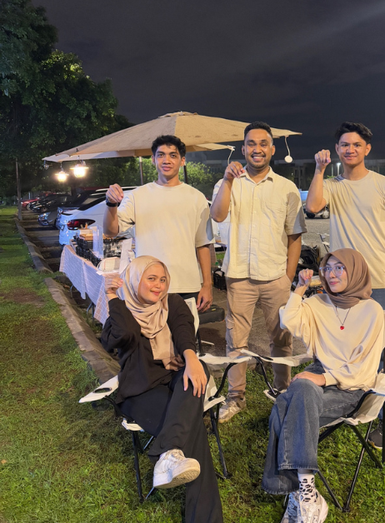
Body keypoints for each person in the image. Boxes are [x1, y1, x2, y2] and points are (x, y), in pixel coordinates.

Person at [263, 249, 385, 523]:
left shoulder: (372, 311)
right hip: (318, 374)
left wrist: (324, 379)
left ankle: (295, 494)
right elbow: (288, 320)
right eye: (327, 268)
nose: (331, 274)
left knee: (285, 404)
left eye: (340, 268)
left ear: (356, 271)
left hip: (351, 386)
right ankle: (307, 490)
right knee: (302, 390)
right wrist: (299, 289)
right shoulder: (318, 303)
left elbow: (365, 369)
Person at [304, 122, 385, 448]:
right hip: (342, 286)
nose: (350, 149)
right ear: (337, 150)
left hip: (379, 281)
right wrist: (319, 169)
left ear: (367, 149)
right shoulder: (332, 185)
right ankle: (351, 402)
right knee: (345, 345)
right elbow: (312, 206)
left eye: (356, 144)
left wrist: (380, 259)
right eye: (344, 145)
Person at [100, 256, 222, 523]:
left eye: (163, 279)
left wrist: (191, 358)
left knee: (195, 371)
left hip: (174, 378)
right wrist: (112, 297)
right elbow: (124, 335)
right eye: (151, 278)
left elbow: (183, 330)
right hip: (141, 390)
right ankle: (205, 516)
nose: (159, 285)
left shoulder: (172, 303)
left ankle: (168, 453)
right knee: (193, 430)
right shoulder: (121, 312)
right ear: (134, 280)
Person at [211, 121, 306, 422]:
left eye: (263, 143)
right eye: (251, 144)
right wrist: (227, 181)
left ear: (272, 149)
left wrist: (288, 276)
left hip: (275, 276)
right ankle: (235, 397)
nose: (257, 149)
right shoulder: (227, 182)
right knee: (235, 341)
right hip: (239, 275)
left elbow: (295, 235)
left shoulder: (287, 188)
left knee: (281, 338)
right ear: (243, 149)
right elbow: (217, 215)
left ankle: (283, 391)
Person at [105, 135, 214, 311]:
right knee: (147, 329)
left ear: (182, 161)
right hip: (147, 286)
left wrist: (207, 285)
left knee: (186, 330)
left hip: (187, 284)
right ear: (153, 159)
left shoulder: (197, 198)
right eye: (161, 155)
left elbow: (203, 244)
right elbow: (111, 231)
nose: (166, 160)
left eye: (173, 155)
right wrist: (111, 204)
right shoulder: (137, 196)